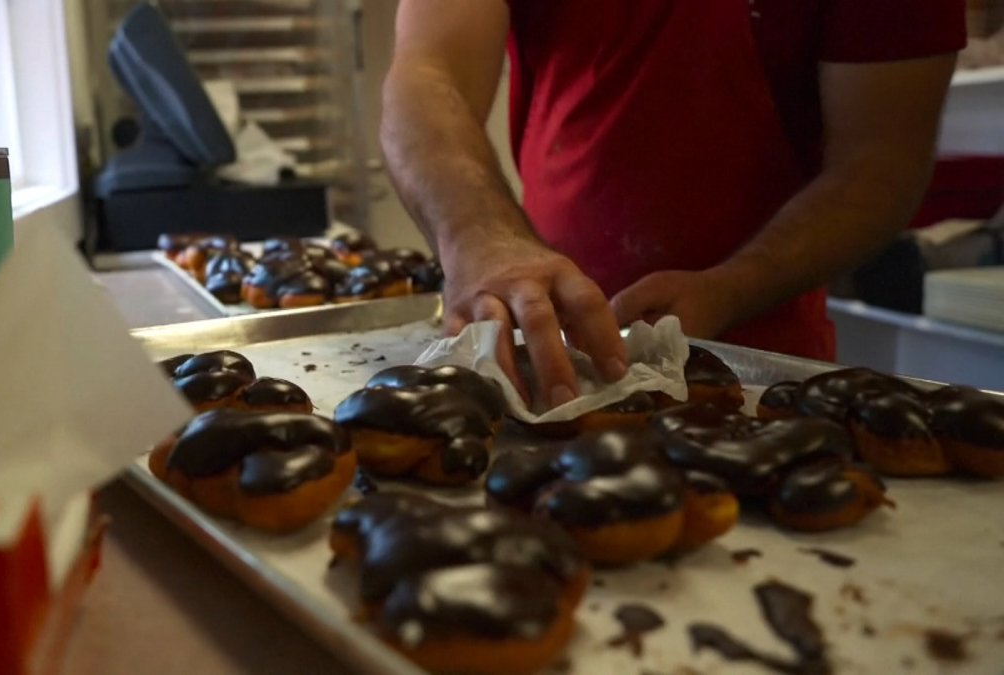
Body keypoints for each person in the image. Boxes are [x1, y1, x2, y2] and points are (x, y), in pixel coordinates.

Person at [380, 0, 966, 409]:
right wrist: (484, 240)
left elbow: (880, 163)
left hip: (755, 364)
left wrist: (732, 287)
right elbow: (430, 72)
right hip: (535, 343)